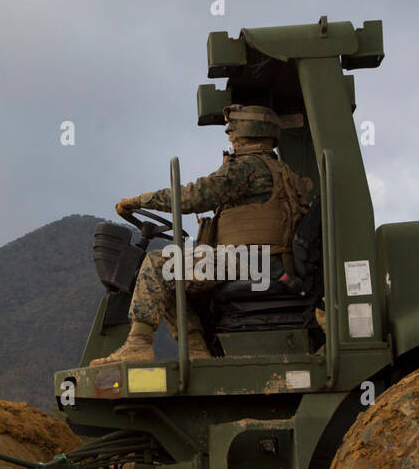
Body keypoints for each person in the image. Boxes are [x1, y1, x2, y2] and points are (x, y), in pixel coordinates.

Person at [92, 105, 314, 365]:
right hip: (265, 261)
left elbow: (194, 196)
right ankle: (197, 352)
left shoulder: (247, 167)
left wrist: (141, 201)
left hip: (250, 261)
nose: (230, 138)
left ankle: (138, 344)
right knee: (177, 277)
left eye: (233, 132)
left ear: (246, 132)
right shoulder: (280, 171)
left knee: (157, 264)